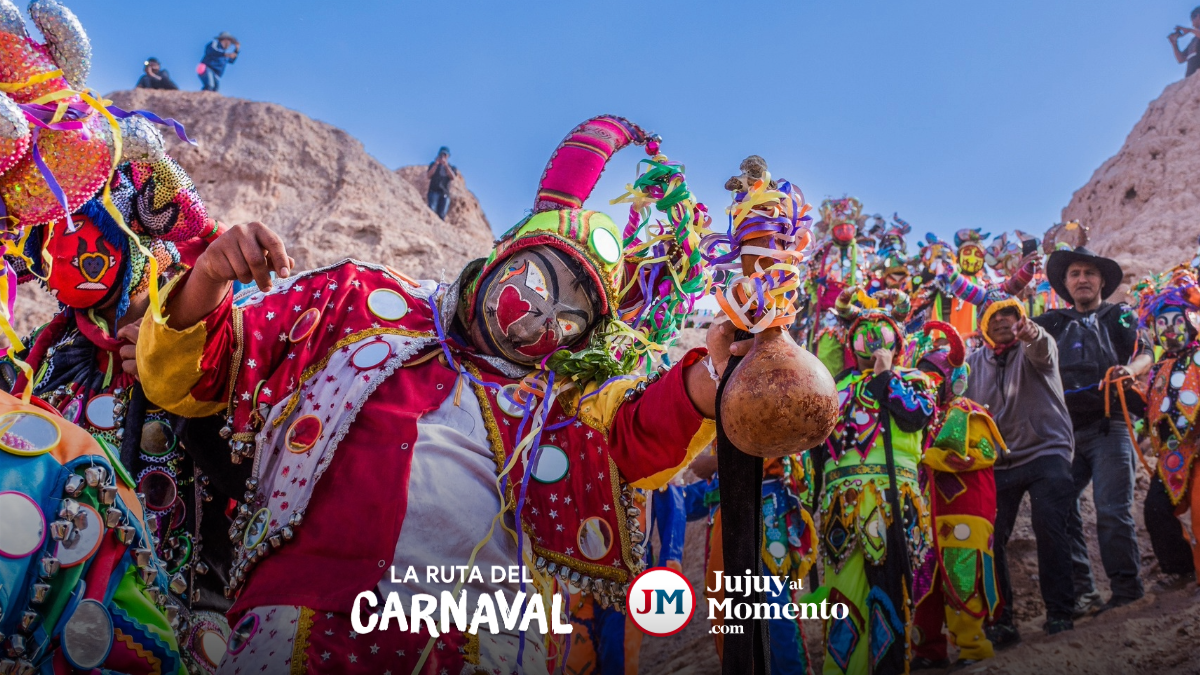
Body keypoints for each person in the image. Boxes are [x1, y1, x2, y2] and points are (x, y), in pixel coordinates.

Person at [135, 116, 725, 674]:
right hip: (296, 634)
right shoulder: (355, 299)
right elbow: (193, 374)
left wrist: (713, 376)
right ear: (508, 252)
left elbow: (641, 430)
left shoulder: (563, 395)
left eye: (573, 313)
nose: (544, 312)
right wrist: (209, 276)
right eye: (543, 278)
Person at [816, 286, 937, 675]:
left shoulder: (915, 380)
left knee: (890, 593)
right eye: (862, 329)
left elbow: (916, 417)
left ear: (897, 341)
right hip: (839, 507)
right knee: (842, 597)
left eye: (881, 329)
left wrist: (886, 378)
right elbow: (814, 448)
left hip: (893, 499)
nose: (871, 336)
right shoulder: (834, 388)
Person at [1034, 247, 1152, 616]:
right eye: (1074, 273)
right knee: (1059, 509)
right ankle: (1084, 593)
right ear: (1065, 283)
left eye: (1089, 272)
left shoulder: (1119, 316)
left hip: (1110, 425)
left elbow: (1144, 350)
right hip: (1063, 435)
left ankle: (1127, 589)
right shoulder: (1050, 322)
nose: (1082, 279)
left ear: (1102, 281)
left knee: (1113, 510)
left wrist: (1130, 372)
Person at [963, 286, 1076, 645]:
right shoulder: (972, 365)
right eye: (992, 315)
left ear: (1020, 318)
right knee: (989, 538)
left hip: (1047, 451)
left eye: (1008, 313)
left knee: (1049, 525)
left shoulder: (1036, 345)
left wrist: (1032, 333)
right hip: (999, 463)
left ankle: (1060, 613)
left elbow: (1041, 348)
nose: (1000, 320)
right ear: (982, 322)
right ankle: (1002, 621)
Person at [910, 322, 1006, 670]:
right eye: (922, 375)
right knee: (926, 587)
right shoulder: (919, 420)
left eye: (933, 375)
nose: (926, 382)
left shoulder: (969, 412)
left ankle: (973, 648)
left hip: (964, 512)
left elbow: (979, 454)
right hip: (927, 517)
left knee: (963, 581)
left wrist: (928, 456)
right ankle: (928, 650)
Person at [1136, 268, 1200, 590]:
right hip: (1171, 455)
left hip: (1199, 449)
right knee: (1155, 511)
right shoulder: (1159, 367)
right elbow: (1153, 405)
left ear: (1192, 321)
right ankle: (1181, 569)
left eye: (1177, 322)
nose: (1170, 331)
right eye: (1162, 325)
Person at [426, 146, 457, 220]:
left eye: (445, 155)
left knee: (442, 214)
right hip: (433, 191)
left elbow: (453, 177)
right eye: (441, 154)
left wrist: (446, 165)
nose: (443, 156)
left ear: (448, 156)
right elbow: (428, 175)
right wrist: (436, 164)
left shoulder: (451, 167)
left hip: (445, 193)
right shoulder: (433, 164)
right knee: (431, 212)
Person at [1169, 7, 1200, 78]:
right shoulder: (1194, 40)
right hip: (1192, 79)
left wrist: (1189, 30)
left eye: (1193, 18)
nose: (1192, 23)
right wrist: (1174, 43)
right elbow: (1181, 59)